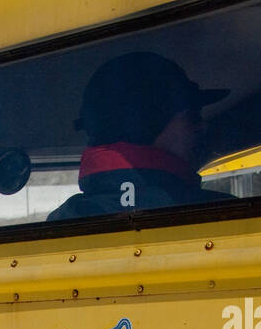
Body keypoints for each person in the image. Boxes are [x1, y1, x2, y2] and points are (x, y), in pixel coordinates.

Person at [48, 52, 230, 221]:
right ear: (149, 124)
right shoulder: (221, 212)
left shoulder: (60, 220)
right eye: (193, 116)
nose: (203, 126)